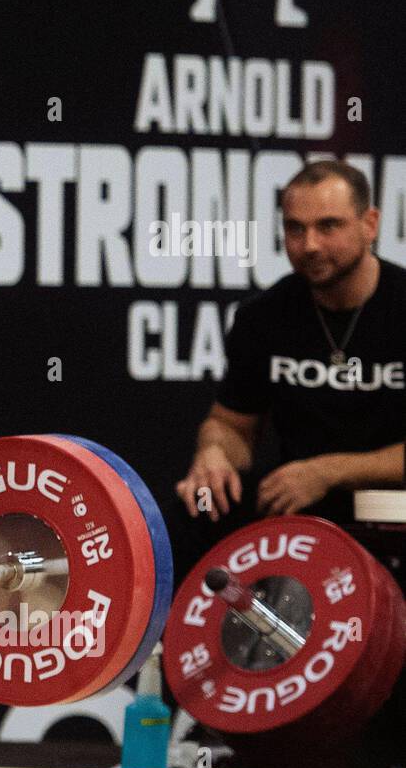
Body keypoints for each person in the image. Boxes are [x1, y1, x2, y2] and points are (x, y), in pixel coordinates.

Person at [173, 160, 406, 565]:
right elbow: (232, 424)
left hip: (393, 506)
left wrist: (328, 471)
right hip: (300, 508)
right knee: (200, 505)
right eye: (295, 228)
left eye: (328, 226)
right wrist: (213, 453)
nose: (310, 244)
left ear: (370, 224)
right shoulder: (264, 316)